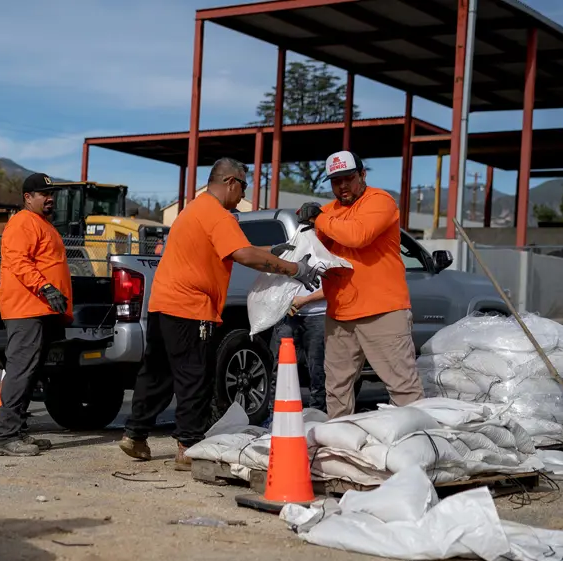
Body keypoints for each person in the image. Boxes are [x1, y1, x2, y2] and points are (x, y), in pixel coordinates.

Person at [119, 157, 327, 471]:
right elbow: (243, 254)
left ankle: (135, 434)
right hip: (191, 306)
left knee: (157, 372)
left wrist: (282, 249)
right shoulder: (217, 215)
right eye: (243, 186)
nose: (243, 194)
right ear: (230, 181)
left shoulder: (194, 210)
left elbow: (243, 247)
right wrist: (294, 268)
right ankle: (188, 446)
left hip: (163, 303)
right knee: (194, 377)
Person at [297, 150, 423, 418]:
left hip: (383, 311)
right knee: (336, 389)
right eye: (336, 181)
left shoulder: (380, 201)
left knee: (403, 389)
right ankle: (341, 450)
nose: (342, 186)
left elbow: (357, 235)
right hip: (340, 315)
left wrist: (317, 218)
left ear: (362, 175)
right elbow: (313, 251)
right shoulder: (329, 212)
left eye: (348, 179)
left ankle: (419, 447)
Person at [0, 173, 72, 456]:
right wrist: (45, 287)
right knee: (21, 370)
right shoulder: (22, 222)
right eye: (44, 194)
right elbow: (17, 260)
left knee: (30, 373)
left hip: (41, 309)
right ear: (28, 197)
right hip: (26, 308)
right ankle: (5, 436)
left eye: (52, 194)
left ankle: (17, 430)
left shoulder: (42, 224)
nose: (50, 199)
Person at [266, 286, 327, 426]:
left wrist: (305, 300)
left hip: (318, 313)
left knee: (317, 369)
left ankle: (316, 415)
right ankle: (275, 416)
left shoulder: (324, 262)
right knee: (280, 367)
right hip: (287, 315)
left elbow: (335, 285)